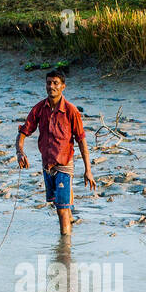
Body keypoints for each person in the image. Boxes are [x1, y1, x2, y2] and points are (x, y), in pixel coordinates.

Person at [16, 70, 95, 237]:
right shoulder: (38, 109)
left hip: (64, 165)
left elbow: (81, 141)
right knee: (57, 203)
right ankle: (70, 216)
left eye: (55, 83)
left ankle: (64, 251)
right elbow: (23, 132)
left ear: (63, 87)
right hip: (47, 165)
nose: (51, 86)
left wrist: (88, 170)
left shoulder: (71, 111)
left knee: (61, 210)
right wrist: (20, 152)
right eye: (49, 83)